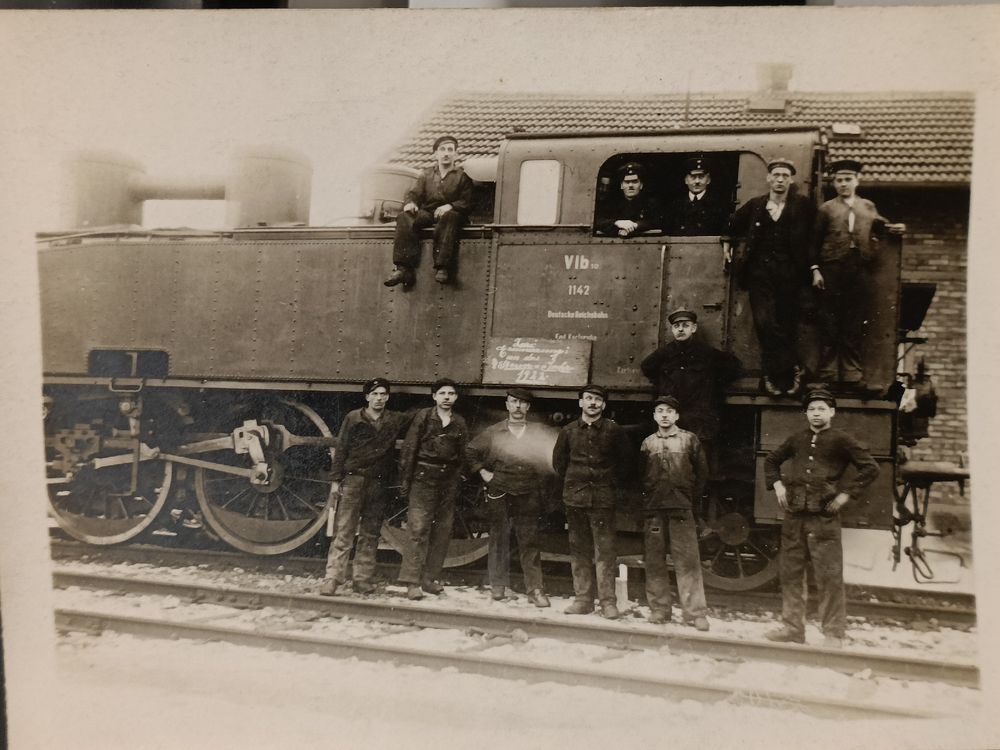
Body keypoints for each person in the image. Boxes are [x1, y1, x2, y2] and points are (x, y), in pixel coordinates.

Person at [763, 388, 879, 647]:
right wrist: (778, 486)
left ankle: (833, 633)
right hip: (794, 517)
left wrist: (846, 494)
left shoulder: (841, 440)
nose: (817, 414)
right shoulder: (797, 439)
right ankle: (793, 628)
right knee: (791, 573)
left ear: (832, 413)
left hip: (824, 518)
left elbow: (870, 468)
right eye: (812, 409)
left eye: (822, 409)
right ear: (806, 413)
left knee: (828, 575)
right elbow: (771, 460)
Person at [721, 158, 816, 396]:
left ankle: (774, 376)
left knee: (786, 324)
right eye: (776, 175)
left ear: (791, 180)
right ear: (768, 179)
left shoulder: (802, 206)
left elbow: (817, 234)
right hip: (759, 275)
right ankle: (790, 370)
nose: (780, 180)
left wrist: (813, 267)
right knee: (765, 324)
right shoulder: (756, 205)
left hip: (790, 276)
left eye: (785, 175)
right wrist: (726, 242)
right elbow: (731, 224)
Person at [811, 159, 906, 391]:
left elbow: (880, 226)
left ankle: (852, 375)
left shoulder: (868, 207)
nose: (843, 184)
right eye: (839, 180)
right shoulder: (826, 209)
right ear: (834, 183)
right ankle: (828, 375)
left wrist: (896, 228)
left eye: (848, 180)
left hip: (859, 269)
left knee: (853, 322)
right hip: (832, 269)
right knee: (830, 321)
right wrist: (815, 269)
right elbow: (813, 242)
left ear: (856, 181)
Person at [320, 378, 410, 596]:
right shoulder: (353, 418)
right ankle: (333, 578)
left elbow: (417, 417)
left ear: (387, 397)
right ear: (367, 397)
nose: (379, 398)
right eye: (375, 394)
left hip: (378, 484)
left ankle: (362, 579)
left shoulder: (394, 420)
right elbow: (341, 449)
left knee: (370, 533)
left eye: (383, 394)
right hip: (353, 481)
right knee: (344, 531)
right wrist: (335, 482)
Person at [551, 384, 632, 619]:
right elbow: (559, 464)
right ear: (581, 403)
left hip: (602, 499)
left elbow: (625, 464)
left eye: (597, 399)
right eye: (588, 399)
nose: (593, 403)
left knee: (605, 551)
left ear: (604, 405)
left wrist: (607, 483)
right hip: (575, 498)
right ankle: (583, 600)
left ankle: (608, 602)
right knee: (579, 550)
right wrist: (577, 483)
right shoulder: (568, 431)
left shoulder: (614, 431)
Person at [466, 388, 551, 607]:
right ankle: (498, 586)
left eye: (522, 403)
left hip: (528, 490)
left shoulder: (536, 431)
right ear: (507, 405)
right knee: (499, 538)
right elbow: (470, 451)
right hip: (500, 489)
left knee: (529, 540)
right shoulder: (494, 432)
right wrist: (483, 472)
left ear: (528, 407)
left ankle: (535, 589)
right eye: (513, 402)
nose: (518, 406)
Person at [639, 308, 740, 477]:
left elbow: (733, 367)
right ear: (672, 330)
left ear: (693, 328)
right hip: (673, 419)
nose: (680, 329)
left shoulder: (706, 353)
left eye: (685, 325)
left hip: (699, 419)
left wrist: (713, 386)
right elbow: (647, 367)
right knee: (669, 467)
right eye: (677, 326)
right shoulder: (665, 353)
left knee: (701, 468)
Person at [639, 396, 711, 631]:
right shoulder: (647, 443)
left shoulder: (690, 440)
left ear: (677, 416)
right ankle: (660, 609)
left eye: (669, 411)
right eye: (660, 411)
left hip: (681, 507)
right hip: (655, 509)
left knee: (687, 561)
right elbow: (641, 476)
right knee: (655, 561)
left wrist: (690, 500)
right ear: (654, 416)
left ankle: (695, 613)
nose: (664, 415)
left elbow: (702, 474)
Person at [397, 378, 469, 600]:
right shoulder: (424, 417)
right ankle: (411, 582)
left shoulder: (459, 422)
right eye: (443, 393)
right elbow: (409, 448)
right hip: (423, 477)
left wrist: (458, 479)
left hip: (447, 481)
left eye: (451, 393)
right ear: (434, 396)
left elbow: (464, 453)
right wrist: (406, 480)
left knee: (442, 532)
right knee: (418, 529)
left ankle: (430, 579)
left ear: (456, 398)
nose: (447, 397)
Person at [384, 135, 473, 288]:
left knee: (450, 217)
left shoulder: (462, 177)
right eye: (442, 150)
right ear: (436, 154)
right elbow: (413, 194)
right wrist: (410, 203)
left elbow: (468, 201)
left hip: (453, 214)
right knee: (405, 217)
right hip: (429, 213)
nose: (446, 153)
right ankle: (403, 268)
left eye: (450, 150)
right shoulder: (426, 175)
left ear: (456, 154)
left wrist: (450, 206)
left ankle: (442, 267)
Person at [663, 156, 730, 236]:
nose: (697, 181)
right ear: (686, 180)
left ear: (708, 180)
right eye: (693, 177)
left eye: (701, 177)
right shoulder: (675, 205)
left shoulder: (719, 205)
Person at [594, 162, 662, 237]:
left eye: (634, 182)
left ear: (641, 185)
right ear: (621, 185)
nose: (630, 185)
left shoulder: (650, 204)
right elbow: (598, 221)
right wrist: (617, 223)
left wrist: (636, 225)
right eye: (627, 182)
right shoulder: (612, 204)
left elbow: (656, 221)